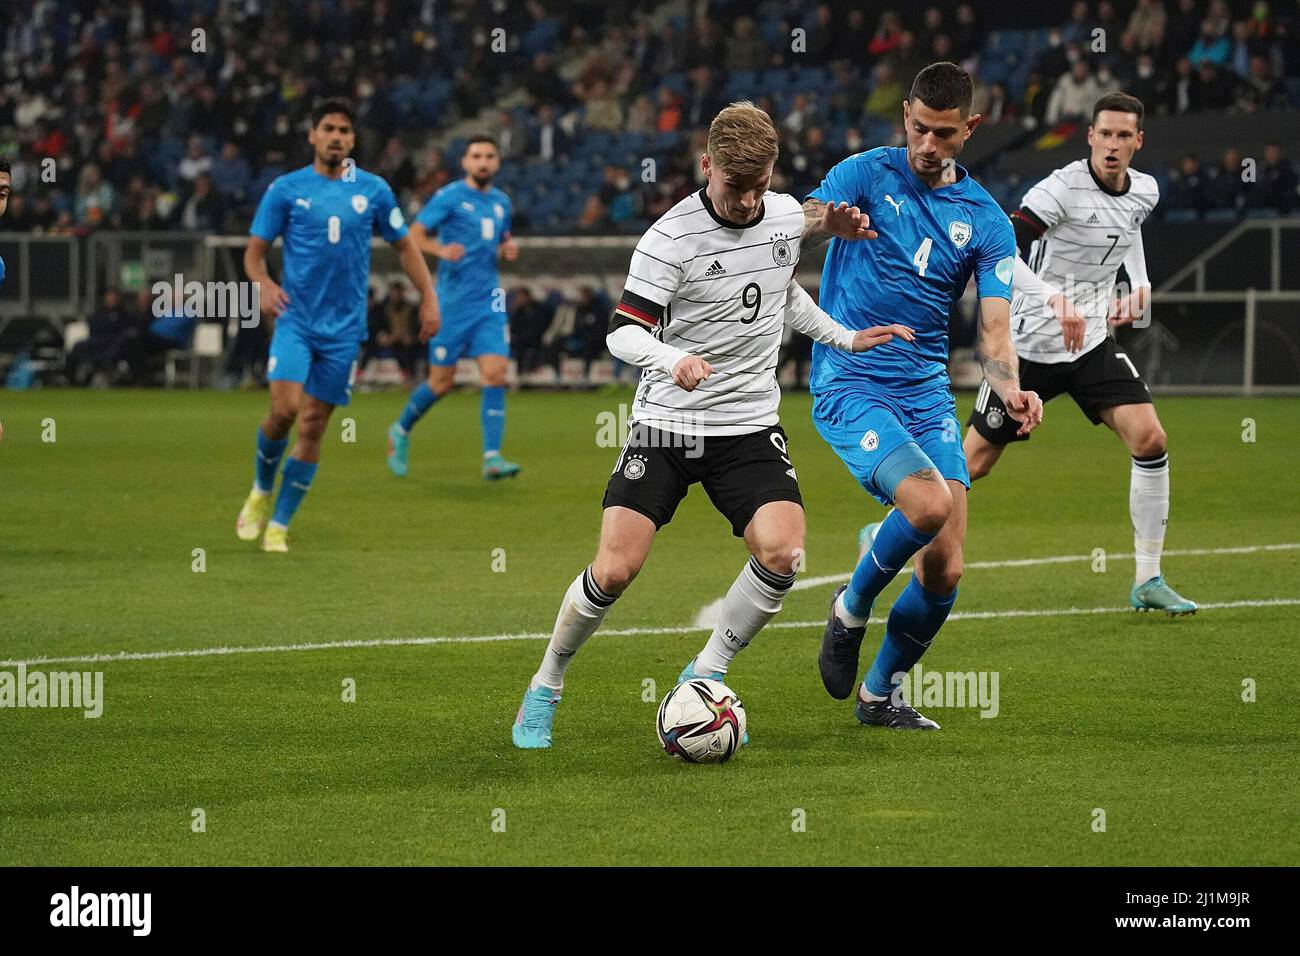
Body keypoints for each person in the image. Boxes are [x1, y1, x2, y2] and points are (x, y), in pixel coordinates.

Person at [510, 102, 912, 749]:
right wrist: (673, 359)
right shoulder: (669, 240)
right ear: (706, 166)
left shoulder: (782, 214)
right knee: (614, 570)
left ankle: (706, 673)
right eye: (735, 187)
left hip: (747, 426)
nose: (749, 202)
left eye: (759, 187)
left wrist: (843, 337)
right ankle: (548, 681)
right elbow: (622, 334)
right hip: (666, 423)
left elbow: (781, 290)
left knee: (784, 552)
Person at [805, 62, 1043, 730]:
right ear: (904, 113)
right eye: (917, 128)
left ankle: (878, 696)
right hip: (851, 380)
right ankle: (850, 610)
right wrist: (829, 222)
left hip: (925, 393)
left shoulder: (987, 221)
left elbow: (995, 334)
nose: (927, 146)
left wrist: (1012, 390)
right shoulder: (863, 173)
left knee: (945, 568)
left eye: (943, 133)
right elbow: (789, 219)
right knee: (930, 503)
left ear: (971, 128)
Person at [964, 92, 1197, 615]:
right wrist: (1052, 297)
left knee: (1150, 437)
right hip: (1028, 347)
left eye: (1123, 136)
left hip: (1091, 344)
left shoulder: (1145, 191)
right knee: (971, 465)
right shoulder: (1060, 189)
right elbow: (1002, 248)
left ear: (1138, 142)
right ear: (1089, 136)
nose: (1113, 145)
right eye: (1104, 134)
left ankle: (1148, 578)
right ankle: (889, 527)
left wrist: (1139, 284)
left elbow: (1130, 231)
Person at [235, 98, 439, 553]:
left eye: (344, 130)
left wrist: (429, 296)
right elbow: (252, 253)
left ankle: (279, 525)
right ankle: (260, 490)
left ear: (352, 139)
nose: (336, 136)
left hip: (345, 331)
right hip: (295, 322)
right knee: (284, 411)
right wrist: (264, 284)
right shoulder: (286, 189)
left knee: (311, 427)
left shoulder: (375, 190)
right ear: (312, 135)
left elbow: (406, 248)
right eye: (327, 127)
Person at [388, 136, 522, 480]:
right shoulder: (449, 196)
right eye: (476, 156)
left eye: (490, 156)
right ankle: (400, 430)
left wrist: (508, 248)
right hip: (452, 303)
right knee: (441, 383)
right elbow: (413, 234)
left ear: (497, 162)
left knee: (495, 374)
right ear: (465, 162)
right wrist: (440, 250)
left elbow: (503, 237)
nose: (483, 162)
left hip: (489, 302)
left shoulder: (501, 202)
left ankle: (492, 457)